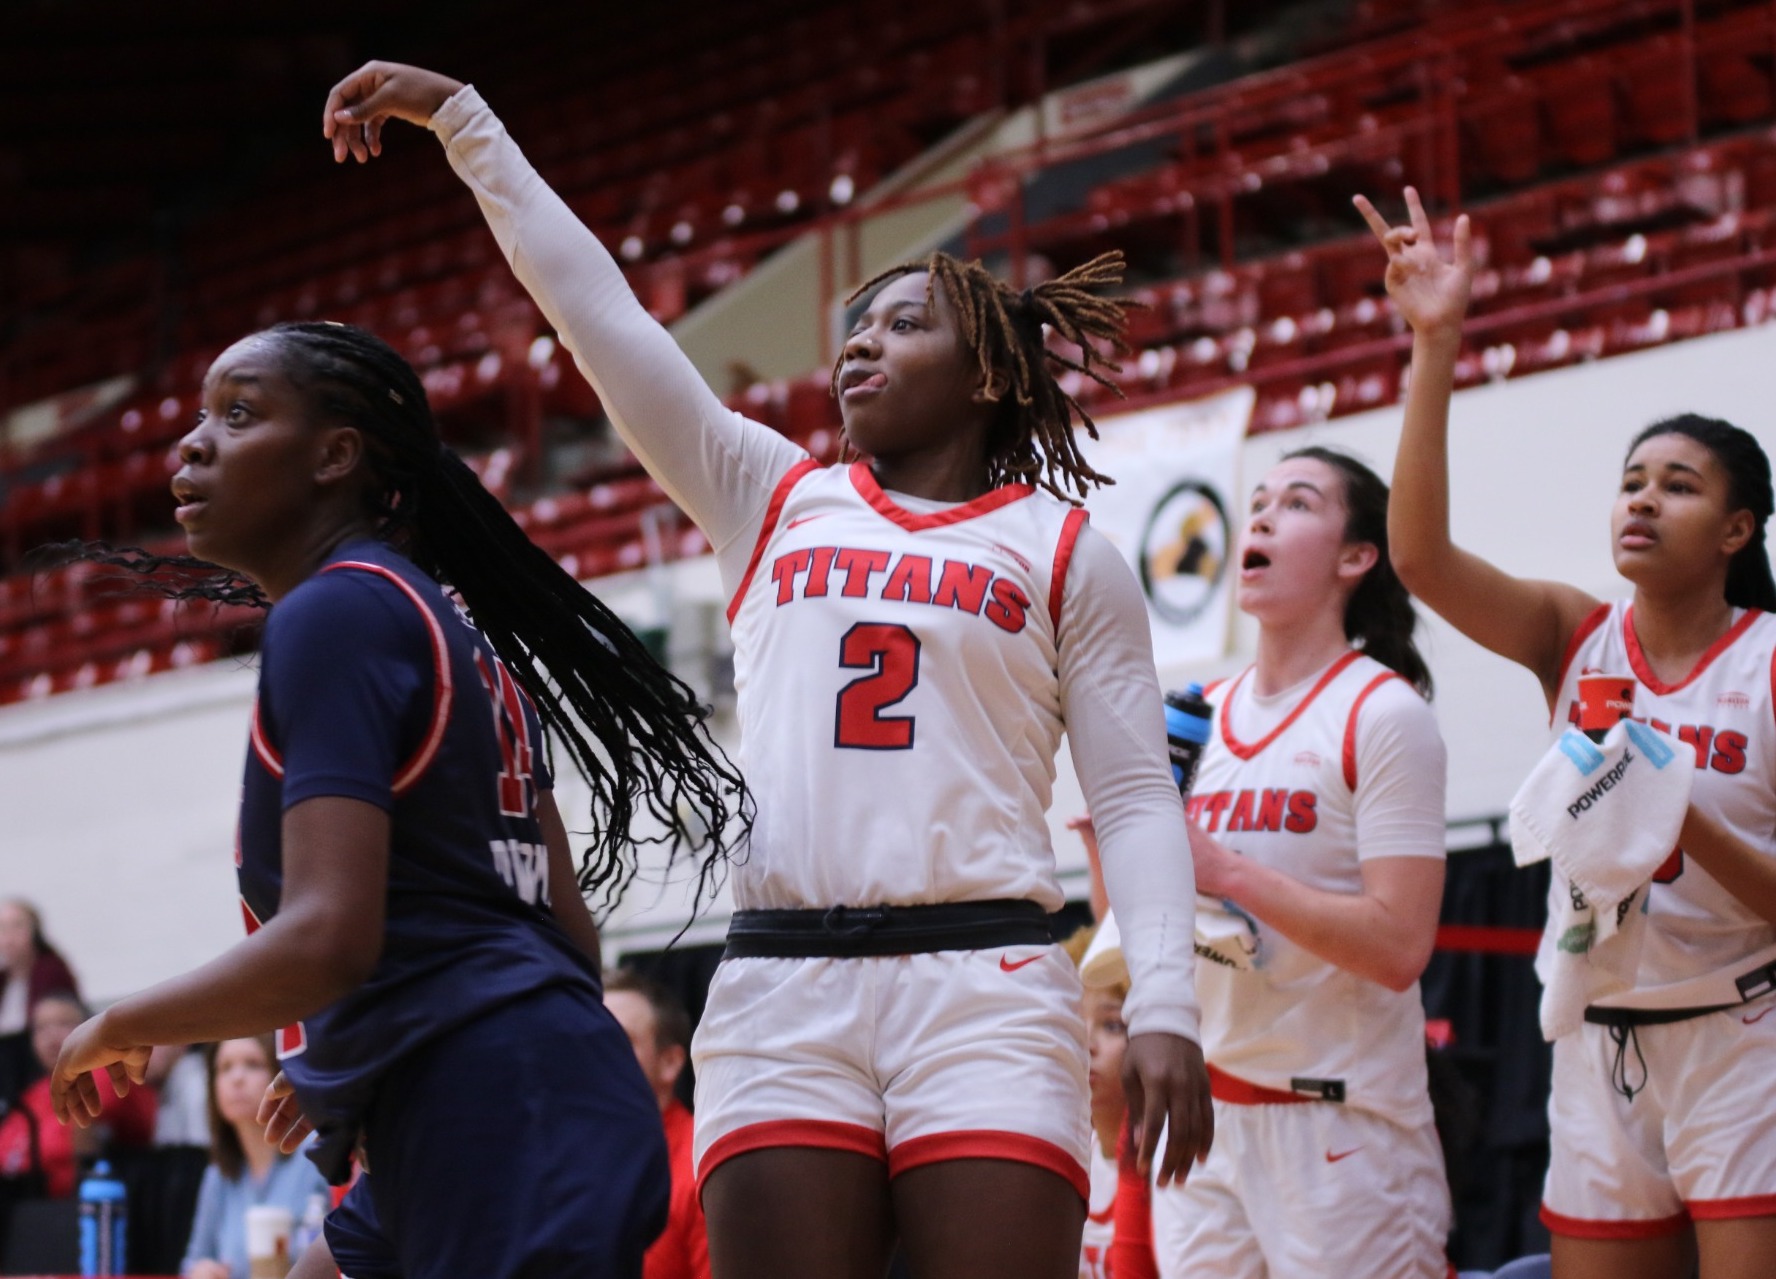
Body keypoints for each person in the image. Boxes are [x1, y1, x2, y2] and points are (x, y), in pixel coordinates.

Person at [319, 59, 1211, 1279]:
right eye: (856, 327)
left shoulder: (1065, 550)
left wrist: (1163, 1001)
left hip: (989, 978)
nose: (861, 348)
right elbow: (598, 313)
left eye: (907, 324)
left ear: (989, 372)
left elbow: (1131, 798)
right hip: (786, 979)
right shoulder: (770, 494)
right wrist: (466, 121)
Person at [47, 314, 749, 1279]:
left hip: (499, 1111)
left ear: (336, 455)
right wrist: (365, 1045)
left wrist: (127, 1022)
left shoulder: (339, 612)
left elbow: (332, 934)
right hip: (494, 1097)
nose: (194, 442)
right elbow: (568, 939)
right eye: (201, 416)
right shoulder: (440, 623)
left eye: (240, 414)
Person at [1363, 185, 1776, 1279]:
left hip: (1750, 1041)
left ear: (1737, 528)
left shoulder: (1769, 659)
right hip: (1595, 1045)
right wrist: (1435, 342)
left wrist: (1674, 818)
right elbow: (1419, 561)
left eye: (1678, 487)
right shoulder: (1570, 632)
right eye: (1631, 481)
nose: (1641, 500)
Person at [1145, 446, 1452, 1277]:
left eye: (1299, 502)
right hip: (1204, 1122)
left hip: (1341, 1133)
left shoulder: (1385, 713)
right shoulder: (1195, 712)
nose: (1265, 516)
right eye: (1259, 500)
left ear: (1356, 557)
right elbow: (1135, 932)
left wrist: (1231, 871)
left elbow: (1398, 947)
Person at [181, 1035, 329, 1279]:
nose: (237, 1078)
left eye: (252, 1064)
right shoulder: (218, 1174)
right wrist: (202, 1271)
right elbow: (193, 1262)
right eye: (225, 1068)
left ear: (281, 1078)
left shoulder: (315, 1153)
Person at [604, 969, 709, 1279]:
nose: (594, 1052)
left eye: (616, 1039)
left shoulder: (697, 1168)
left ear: (669, 1063)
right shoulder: (565, 1159)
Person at [0, 993, 155, 1198]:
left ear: (88, 1029)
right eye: (41, 1027)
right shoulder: (33, 1094)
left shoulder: (107, 1075)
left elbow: (80, 1150)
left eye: (63, 1023)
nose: (51, 1036)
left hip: (95, 1203)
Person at [0, 900, 79, 1103]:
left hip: (39, 1065)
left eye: (17, 927)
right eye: (2, 929)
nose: (9, 938)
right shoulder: (4, 979)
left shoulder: (51, 970)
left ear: (34, 932)